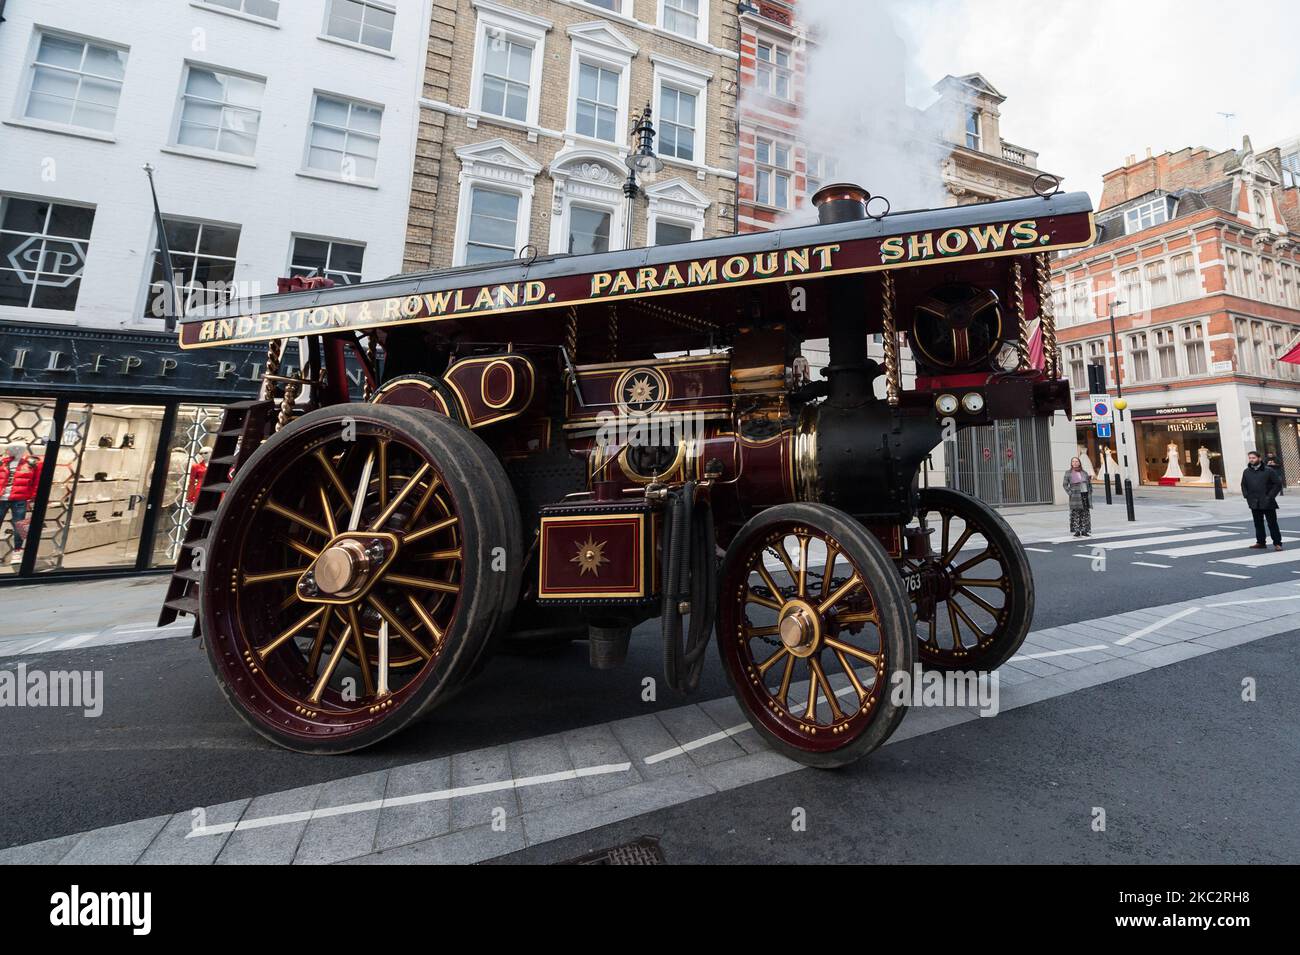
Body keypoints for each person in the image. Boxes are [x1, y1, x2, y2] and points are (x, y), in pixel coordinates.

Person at [0, 442, 42, 560]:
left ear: (19, 449)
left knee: (19, 526)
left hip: (20, 499)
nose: (9, 449)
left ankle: (17, 551)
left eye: (13, 447)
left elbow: (36, 483)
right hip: (1, 498)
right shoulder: (3, 461)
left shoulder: (32, 464)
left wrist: (32, 497)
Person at [1242, 450, 1283, 551]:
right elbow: (1243, 485)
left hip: (1267, 501)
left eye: (1253, 458)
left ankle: (1277, 543)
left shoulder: (1269, 470)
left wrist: (1270, 496)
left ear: (1259, 458)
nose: (1251, 460)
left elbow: (1277, 484)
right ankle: (1260, 542)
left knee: (1272, 523)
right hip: (1254, 502)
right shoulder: (1246, 471)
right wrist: (1247, 496)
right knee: (1258, 523)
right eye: (1250, 458)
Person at [1062, 456, 1091, 537]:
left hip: (1084, 494)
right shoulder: (1068, 472)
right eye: (1073, 461)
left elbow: (1089, 484)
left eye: (1076, 461)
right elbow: (1064, 485)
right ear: (1071, 463)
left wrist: (1089, 492)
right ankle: (1077, 531)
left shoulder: (1084, 472)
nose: (1075, 463)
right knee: (1076, 513)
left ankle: (1085, 530)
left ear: (1079, 463)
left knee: (1085, 513)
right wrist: (1070, 493)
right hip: (1074, 496)